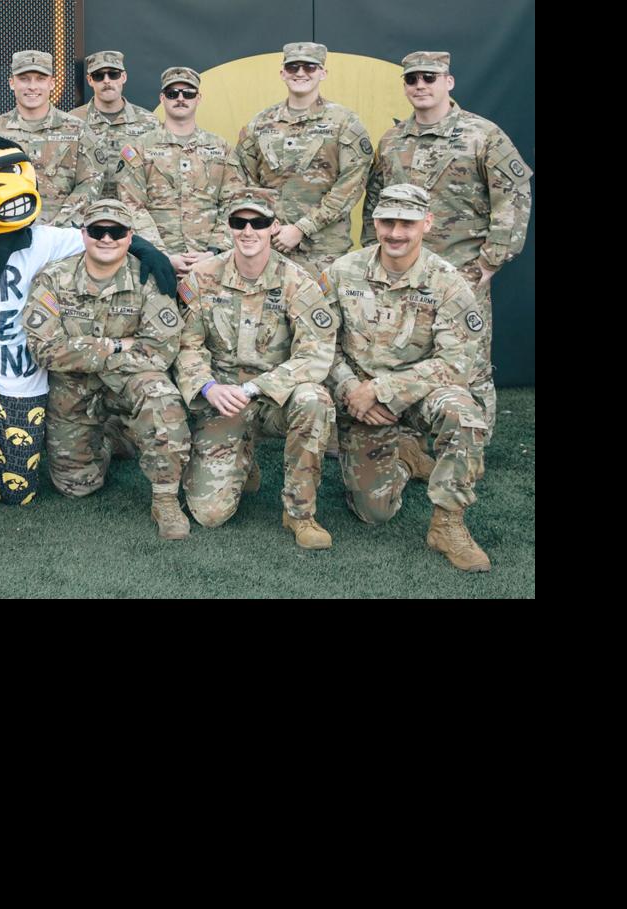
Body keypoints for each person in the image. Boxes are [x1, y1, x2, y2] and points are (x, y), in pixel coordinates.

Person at [0, 136, 177, 546]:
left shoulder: (45, 240)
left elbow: (99, 240)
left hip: (21, 380)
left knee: (17, 493)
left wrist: (150, 252)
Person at [366, 50, 532, 451]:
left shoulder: (482, 134)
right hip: (402, 272)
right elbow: (376, 201)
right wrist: (375, 256)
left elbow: (514, 196)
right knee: (405, 354)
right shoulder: (392, 140)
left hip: (461, 270)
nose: (420, 85)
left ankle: (469, 448)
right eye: (412, 79)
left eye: (429, 77)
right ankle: (412, 442)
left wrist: (490, 263)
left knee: (467, 360)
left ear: (448, 82)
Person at [325, 184, 491, 572]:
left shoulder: (447, 282)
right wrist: (352, 389)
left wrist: (381, 390)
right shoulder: (342, 271)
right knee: (374, 513)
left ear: (426, 224)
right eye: (387, 221)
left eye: (407, 223)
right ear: (374, 222)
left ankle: (448, 525)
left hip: (418, 395)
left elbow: (456, 363)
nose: (396, 232)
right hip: (359, 402)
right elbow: (320, 345)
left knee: (462, 412)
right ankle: (407, 459)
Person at [175, 189, 339, 548]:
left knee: (315, 399)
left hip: (274, 398)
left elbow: (315, 353)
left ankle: (300, 514)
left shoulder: (297, 281)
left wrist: (255, 389)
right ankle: (242, 457)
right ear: (229, 228)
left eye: (259, 223)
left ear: (273, 227)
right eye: (239, 223)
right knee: (209, 515)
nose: (248, 231)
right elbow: (188, 345)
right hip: (223, 400)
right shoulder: (202, 278)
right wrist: (207, 387)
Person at [23, 199, 193, 540]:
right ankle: (116, 438)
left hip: (130, 382)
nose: (106, 238)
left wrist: (83, 350)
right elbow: (43, 349)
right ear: (83, 235)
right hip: (73, 392)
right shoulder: (54, 279)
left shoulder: (149, 278)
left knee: (160, 395)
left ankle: (165, 500)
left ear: (129, 236)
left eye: (115, 231)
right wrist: (117, 344)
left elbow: (160, 351)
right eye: (98, 231)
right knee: (76, 487)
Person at [225, 43, 373, 274]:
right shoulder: (260, 123)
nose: (300, 73)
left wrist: (302, 228)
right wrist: (265, 227)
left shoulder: (344, 122)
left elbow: (350, 186)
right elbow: (244, 181)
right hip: (269, 246)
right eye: (293, 67)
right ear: (283, 73)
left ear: (323, 73)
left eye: (309, 67)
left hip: (323, 251)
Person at [115, 67, 231, 273]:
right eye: (172, 93)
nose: (180, 98)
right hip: (153, 262)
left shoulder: (221, 148)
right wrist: (161, 254)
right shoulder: (138, 148)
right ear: (162, 98)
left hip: (211, 262)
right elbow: (131, 205)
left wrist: (213, 251)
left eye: (188, 93)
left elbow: (233, 201)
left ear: (198, 98)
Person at [0, 50, 102, 228]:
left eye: (40, 78)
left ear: (52, 83)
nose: (32, 86)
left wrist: (57, 227)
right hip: (6, 234)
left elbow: (91, 181)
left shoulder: (78, 130)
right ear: (12, 83)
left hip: (62, 238)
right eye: (24, 78)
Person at [67, 50, 154, 199]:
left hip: (133, 211)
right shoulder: (72, 122)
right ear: (89, 80)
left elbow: (154, 177)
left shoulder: (149, 122)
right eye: (98, 76)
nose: (107, 81)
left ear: (123, 77)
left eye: (113, 74)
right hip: (85, 213)